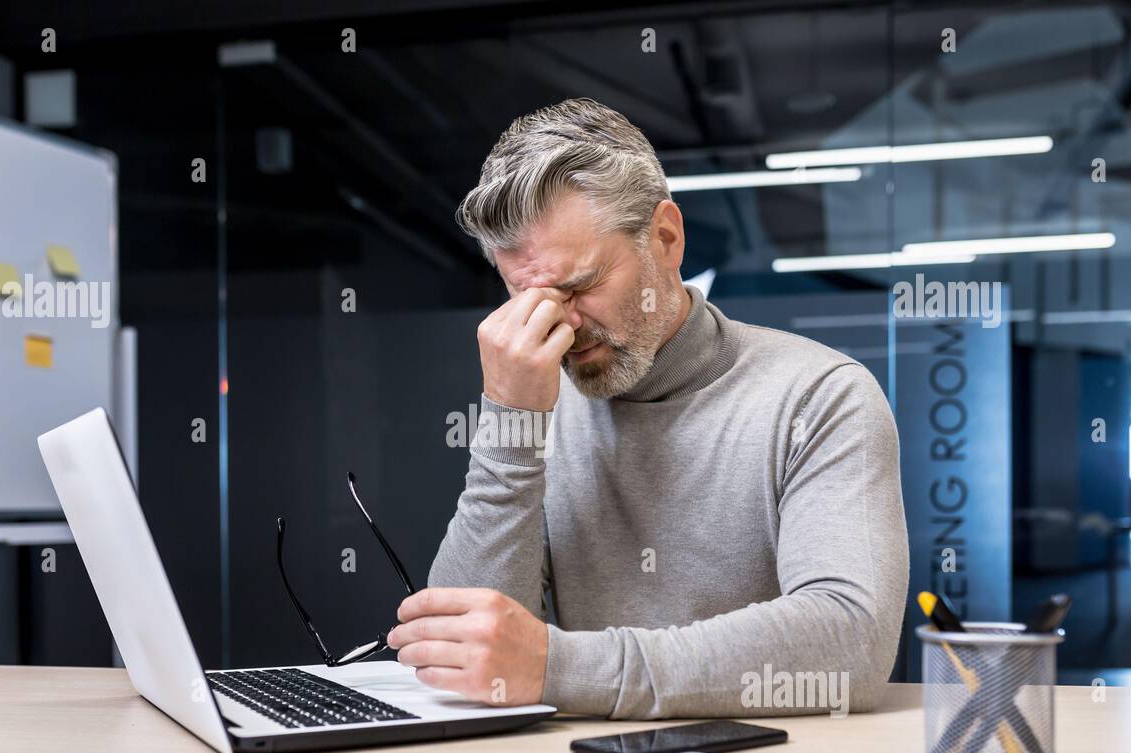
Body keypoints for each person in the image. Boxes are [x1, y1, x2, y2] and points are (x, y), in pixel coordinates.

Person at [386, 97, 909, 719]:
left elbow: (851, 640)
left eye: (579, 286)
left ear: (665, 238)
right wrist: (508, 422)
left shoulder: (820, 395)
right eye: (525, 295)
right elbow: (460, 650)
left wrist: (561, 668)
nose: (561, 324)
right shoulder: (537, 406)